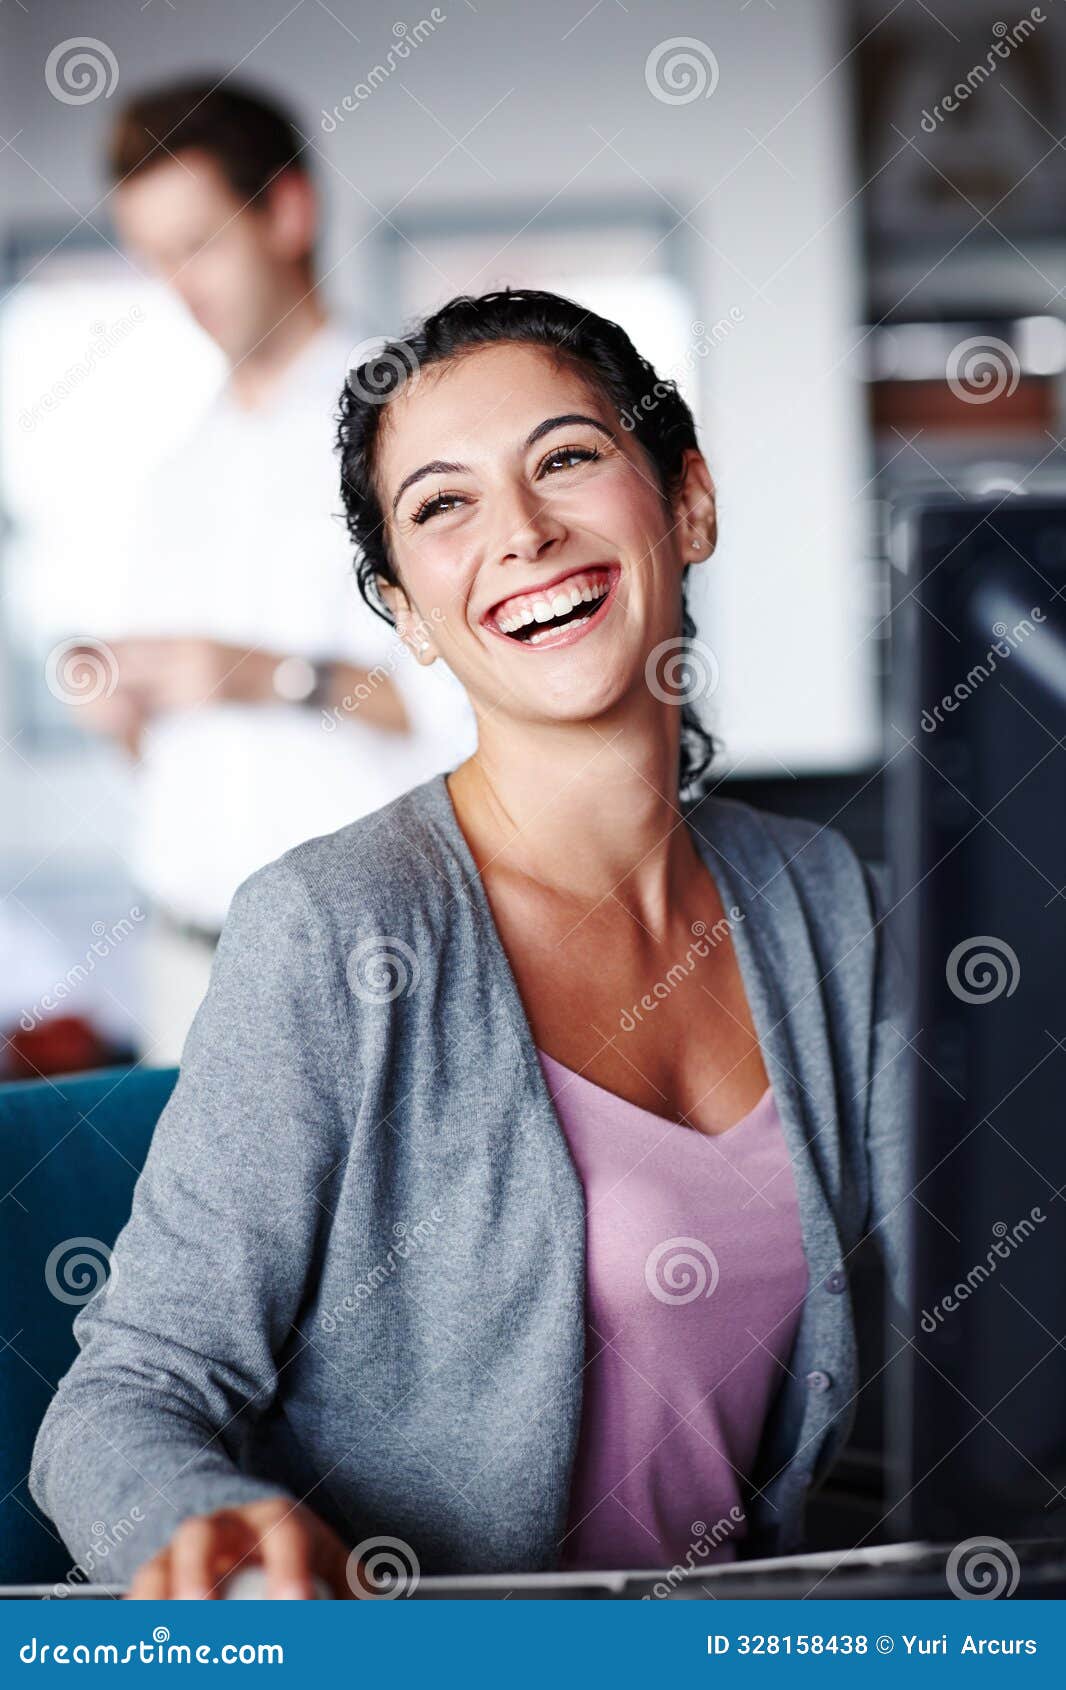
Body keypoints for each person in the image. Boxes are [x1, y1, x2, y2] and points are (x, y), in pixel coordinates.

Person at [31, 290, 908, 1599]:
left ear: (687, 502)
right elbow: (126, 1397)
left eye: (567, 456)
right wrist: (210, 1528)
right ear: (408, 613)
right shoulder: (334, 929)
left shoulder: (827, 900)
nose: (521, 531)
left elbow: (982, 1308)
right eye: (444, 503)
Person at [77, 78, 472, 1062]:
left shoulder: (417, 425)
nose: (178, 286)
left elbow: (477, 698)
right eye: (154, 259)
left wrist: (264, 676)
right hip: (185, 962)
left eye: (198, 244)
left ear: (288, 212)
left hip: (363, 961)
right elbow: (163, 754)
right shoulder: (172, 470)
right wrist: (123, 712)